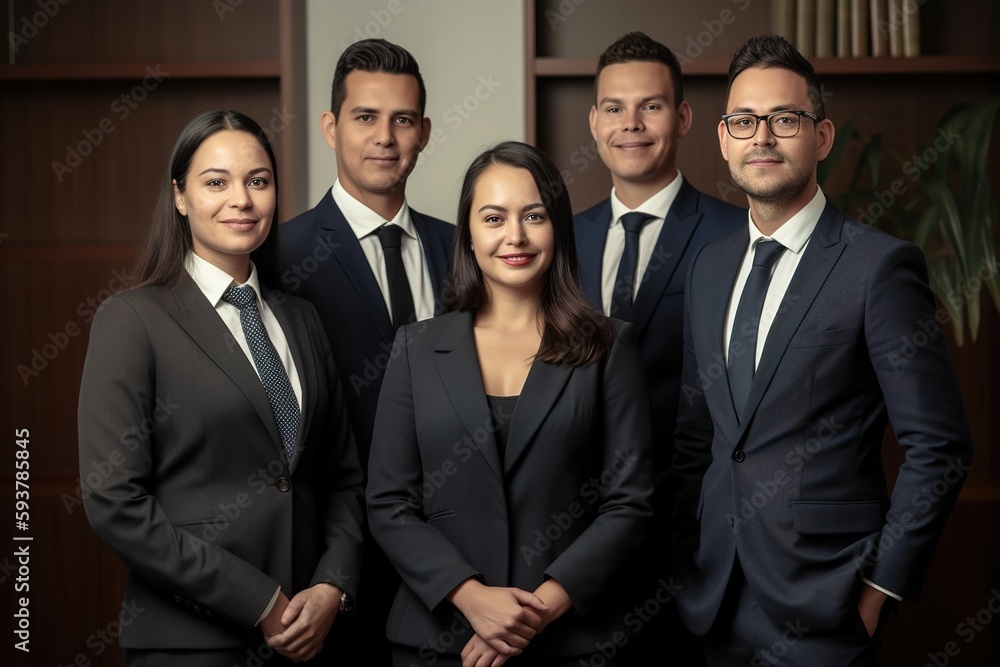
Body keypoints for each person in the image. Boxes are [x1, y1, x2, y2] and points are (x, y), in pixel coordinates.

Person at [671, 35, 974, 666]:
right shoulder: (706, 269)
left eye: (785, 119)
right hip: (712, 601)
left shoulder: (878, 267)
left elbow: (940, 445)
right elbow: (699, 435)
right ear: (723, 139)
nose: (763, 138)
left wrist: (878, 592)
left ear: (822, 136)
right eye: (744, 121)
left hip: (827, 606)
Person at [78, 110, 365, 665]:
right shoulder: (132, 319)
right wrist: (259, 601)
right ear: (180, 196)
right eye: (217, 182)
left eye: (258, 181)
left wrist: (333, 586)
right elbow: (114, 501)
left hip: (310, 640)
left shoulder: (302, 318)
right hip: (190, 640)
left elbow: (345, 479)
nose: (242, 199)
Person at [366, 141, 653, 667]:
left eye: (534, 216)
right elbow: (389, 503)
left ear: (557, 228)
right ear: (469, 234)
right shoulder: (417, 347)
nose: (514, 236)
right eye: (493, 217)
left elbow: (630, 503)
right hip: (436, 640)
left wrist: (534, 612)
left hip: (570, 640)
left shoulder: (610, 347)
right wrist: (472, 599)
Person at [572, 31, 744, 663]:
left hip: (697, 537)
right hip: (576, 542)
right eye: (614, 108)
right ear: (593, 121)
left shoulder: (737, 233)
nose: (632, 124)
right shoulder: (559, 240)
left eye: (651, 106)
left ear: (684, 117)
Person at [279, 39, 453, 662]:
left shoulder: (464, 250)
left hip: (455, 559)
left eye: (402, 119)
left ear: (425, 131)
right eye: (365, 117)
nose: (385, 136)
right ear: (330, 127)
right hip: (331, 565)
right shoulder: (278, 255)